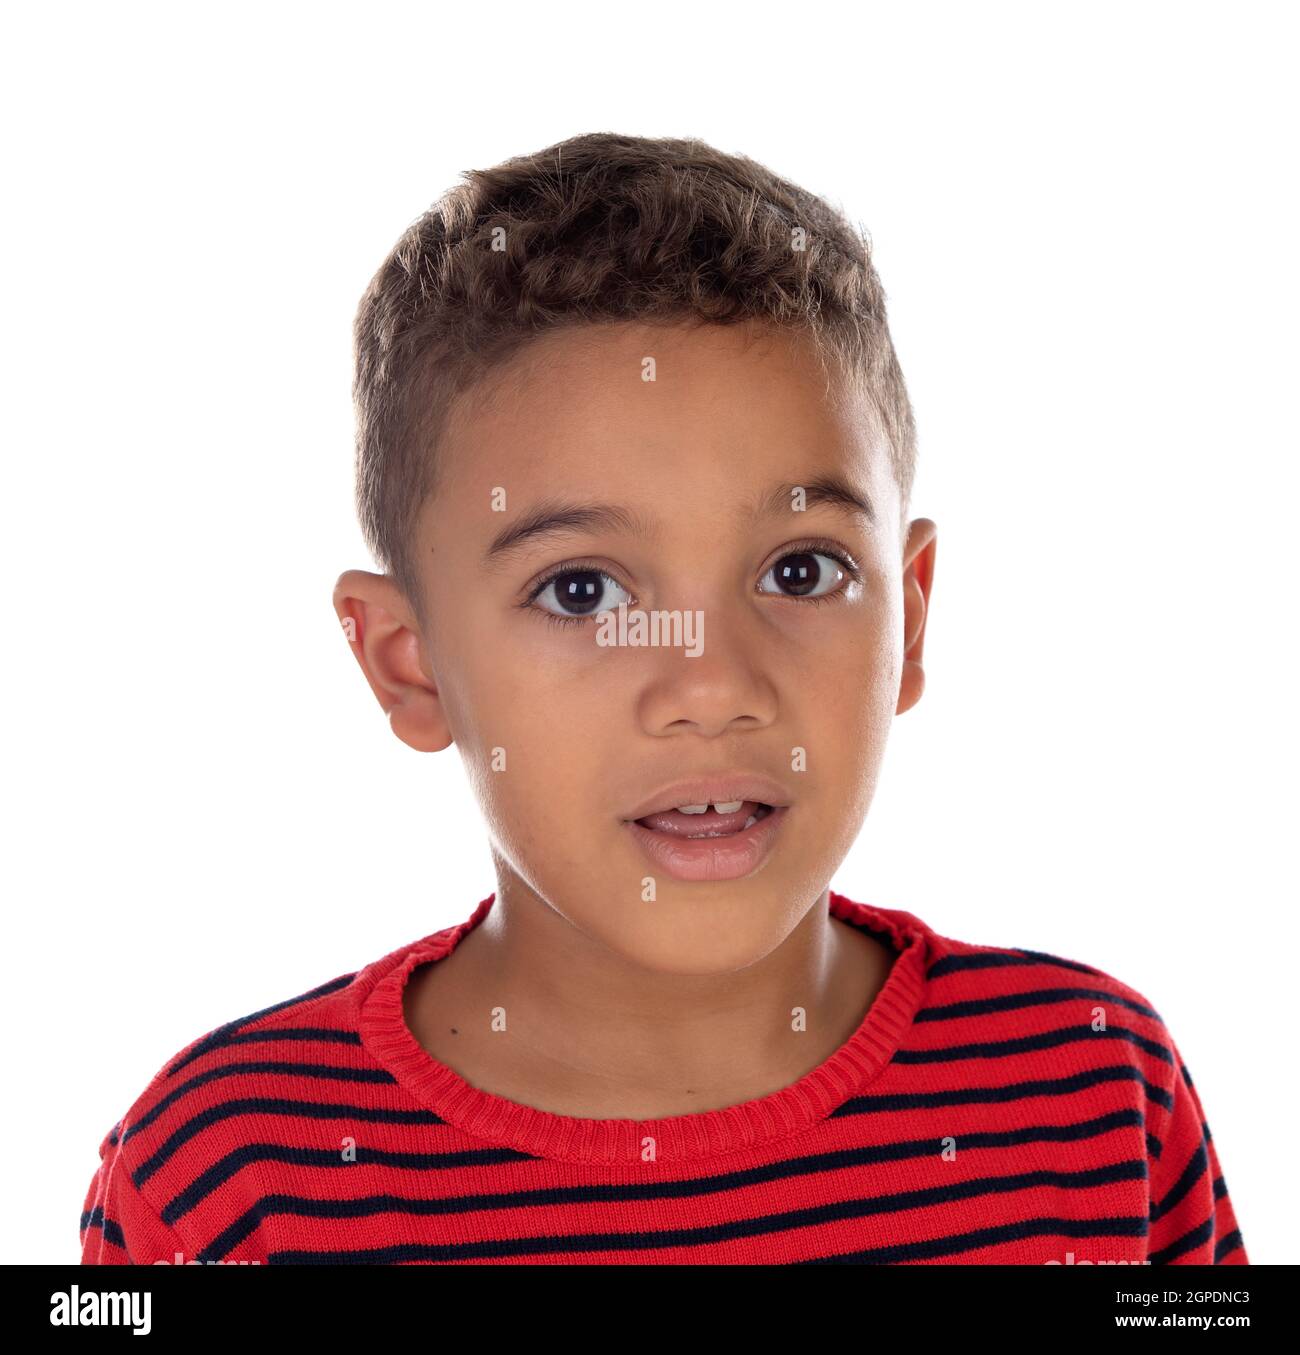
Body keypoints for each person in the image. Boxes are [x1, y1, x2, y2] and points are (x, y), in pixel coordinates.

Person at [81, 132, 1247, 1265]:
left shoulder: (1095, 1095)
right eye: (580, 590)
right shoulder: (229, 1184)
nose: (714, 685)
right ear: (409, 660)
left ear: (909, 617)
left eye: (801, 571)